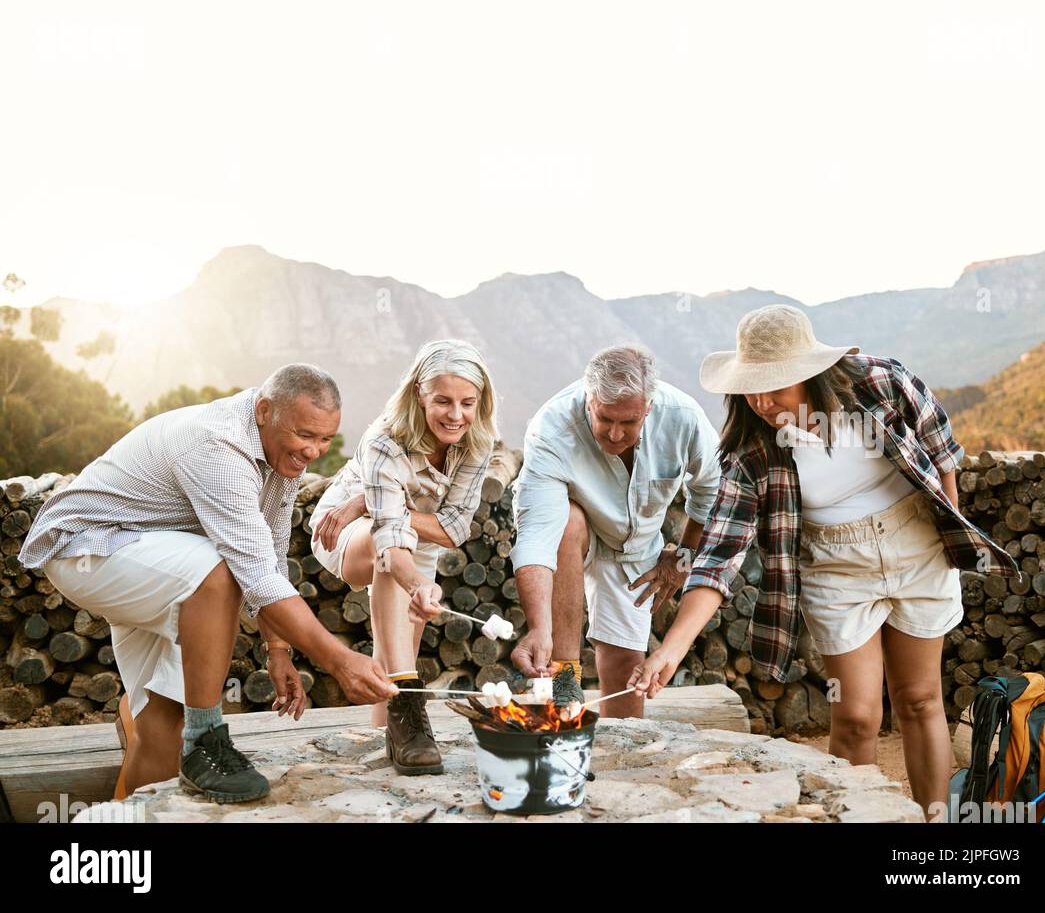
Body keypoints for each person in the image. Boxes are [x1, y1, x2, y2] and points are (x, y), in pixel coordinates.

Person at [630, 305, 1020, 816]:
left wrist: (951, 541)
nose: (764, 402)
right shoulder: (751, 452)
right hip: (833, 564)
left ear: (810, 373)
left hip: (917, 545)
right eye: (752, 387)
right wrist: (670, 652)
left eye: (777, 386)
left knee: (920, 701)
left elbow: (944, 457)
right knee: (856, 716)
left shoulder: (882, 383)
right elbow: (718, 557)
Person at [19, 364, 397, 804]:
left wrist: (279, 651)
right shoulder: (218, 445)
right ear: (263, 410)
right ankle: (205, 738)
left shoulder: (278, 455)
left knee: (162, 727)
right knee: (219, 571)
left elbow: (270, 557)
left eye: (325, 439)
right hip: (85, 547)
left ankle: (134, 821)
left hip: (152, 561)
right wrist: (340, 661)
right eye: (304, 435)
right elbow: (253, 576)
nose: (313, 451)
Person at [308, 339, 498, 775]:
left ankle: (391, 748)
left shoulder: (477, 442)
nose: (456, 415)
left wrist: (375, 503)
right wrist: (416, 580)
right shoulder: (385, 441)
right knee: (387, 558)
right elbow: (390, 539)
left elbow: (453, 529)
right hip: (348, 535)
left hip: (416, 539)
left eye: (468, 403)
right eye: (443, 401)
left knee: (395, 653)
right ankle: (412, 701)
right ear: (418, 394)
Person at [509, 345, 721, 717]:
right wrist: (539, 627)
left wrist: (683, 557)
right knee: (567, 522)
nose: (616, 434)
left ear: (649, 408)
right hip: (576, 535)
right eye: (605, 419)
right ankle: (564, 686)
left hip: (638, 546)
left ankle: (618, 750)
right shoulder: (550, 428)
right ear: (588, 400)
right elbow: (536, 537)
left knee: (626, 670)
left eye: (630, 422)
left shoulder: (684, 418)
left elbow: (711, 491)